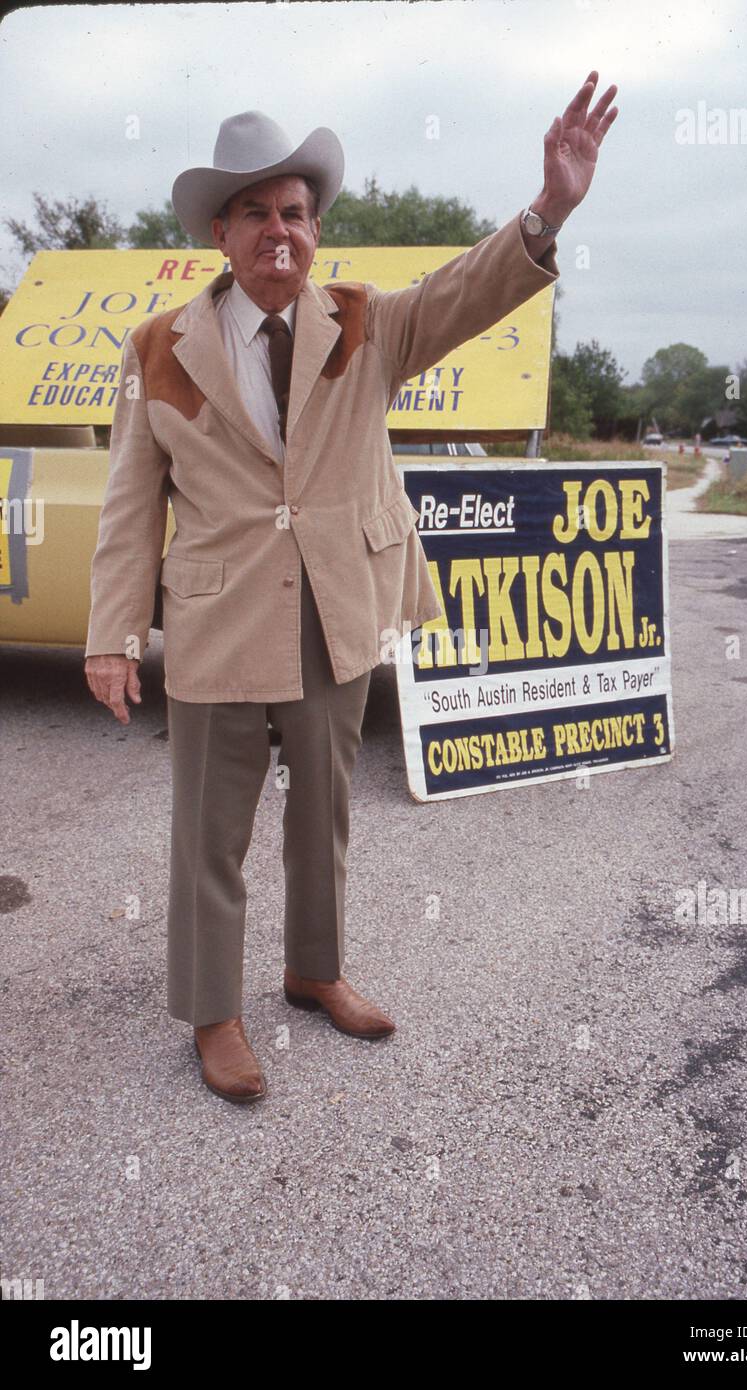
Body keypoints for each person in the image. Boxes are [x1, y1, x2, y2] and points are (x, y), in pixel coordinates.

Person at [83, 75, 619, 1104]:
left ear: (314, 227)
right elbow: (127, 505)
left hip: (335, 609)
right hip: (217, 619)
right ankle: (213, 1012)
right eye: (255, 214)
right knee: (210, 830)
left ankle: (313, 969)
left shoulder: (366, 323)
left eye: (293, 213)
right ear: (219, 231)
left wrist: (548, 208)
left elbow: (468, 291)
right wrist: (111, 634)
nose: (277, 232)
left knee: (324, 811)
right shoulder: (157, 347)